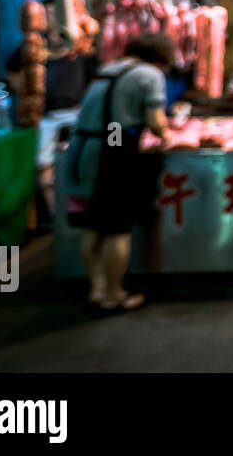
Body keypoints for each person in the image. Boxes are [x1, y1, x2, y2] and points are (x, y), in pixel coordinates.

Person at [66, 32, 173, 312]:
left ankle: (97, 289)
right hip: (115, 154)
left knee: (94, 224)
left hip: (84, 149)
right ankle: (115, 294)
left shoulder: (108, 69)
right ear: (159, 59)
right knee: (117, 228)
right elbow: (155, 120)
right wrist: (167, 134)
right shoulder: (149, 74)